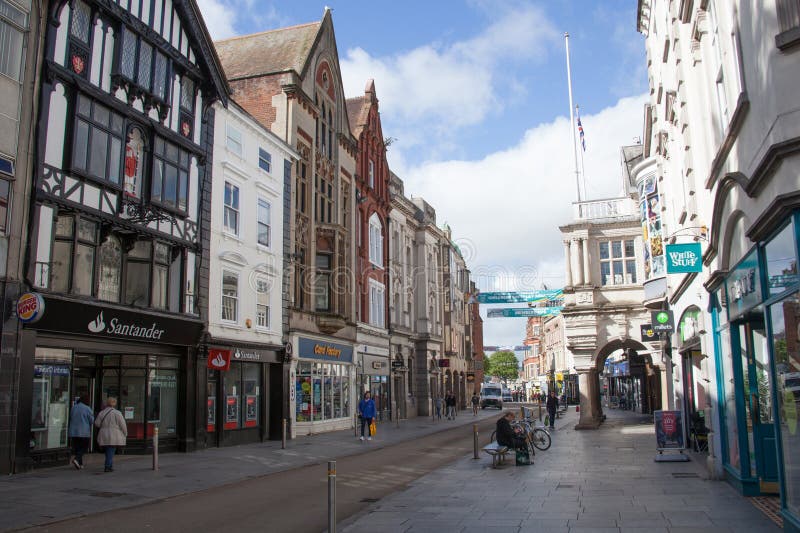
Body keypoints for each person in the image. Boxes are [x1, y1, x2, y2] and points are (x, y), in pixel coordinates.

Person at [95, 397, 127, 472]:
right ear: (114, 403)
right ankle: (108, 466)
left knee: (108, 450)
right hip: (113, 434)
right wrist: (125, 433)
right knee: (111, 449)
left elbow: (97, 423)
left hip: (103, 434)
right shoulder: (117, 413)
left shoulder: (102, 412)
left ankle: (110, 465)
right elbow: (122, 424)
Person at [68, 396, 94, 470]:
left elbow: (70, 417)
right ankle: (76, 459)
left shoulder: (73, 408)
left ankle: (80, 464)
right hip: (83, 431)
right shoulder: (87, 408)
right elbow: (91, 420)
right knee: (84, 448)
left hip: (73, 431)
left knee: (78, 448)